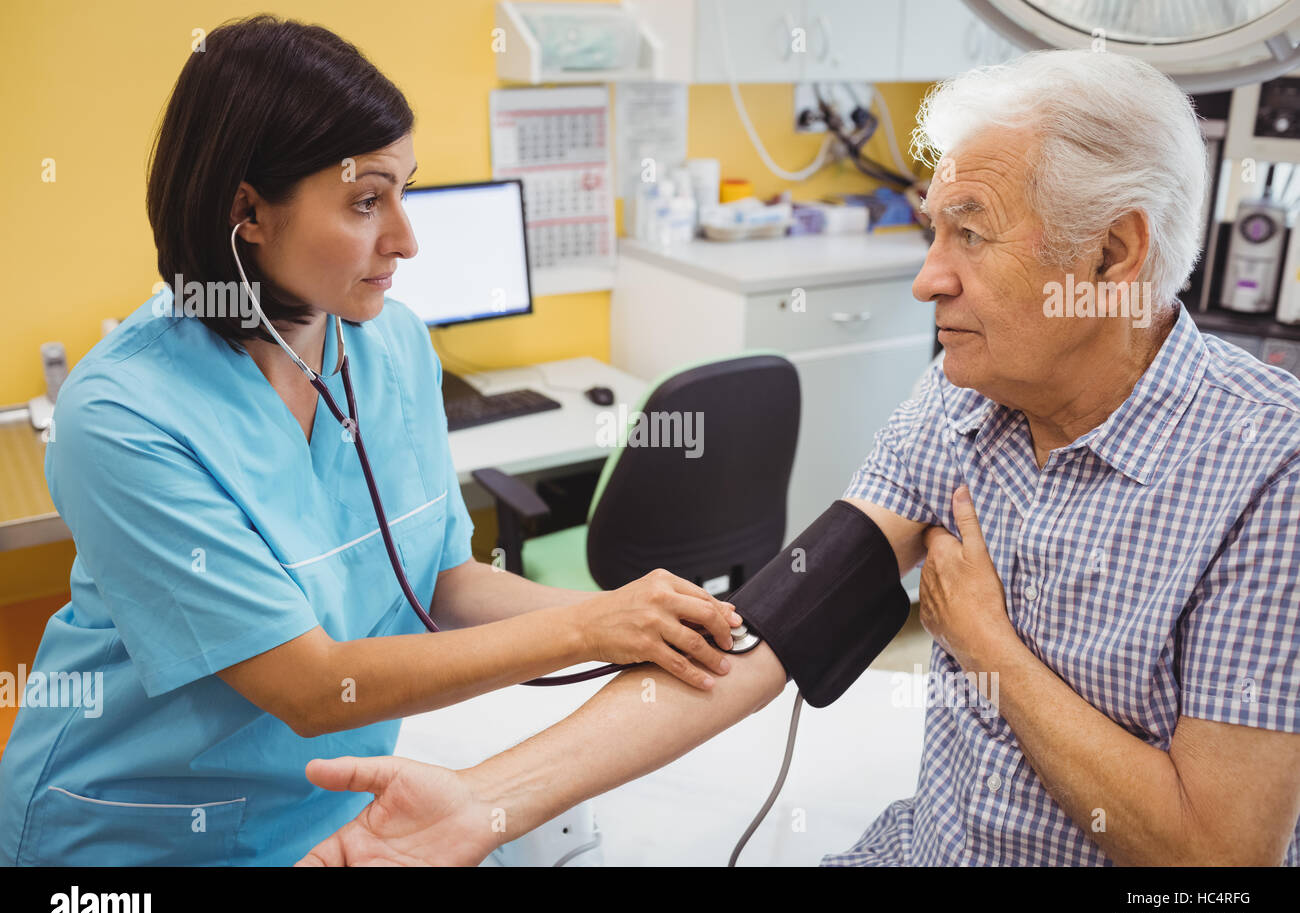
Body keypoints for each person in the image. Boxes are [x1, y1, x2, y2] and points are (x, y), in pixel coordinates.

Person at [298, 49, 1300, 867]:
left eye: (969, 234)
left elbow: (1214, 855)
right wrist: (484, 798)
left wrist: (992, 651)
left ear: (1111, 257)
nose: (926, 279)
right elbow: (765, 635)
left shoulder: (1269, 472)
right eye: (929, 230)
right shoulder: (962, 400)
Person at [0, 15, 739, 867]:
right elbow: (311, 687)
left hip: (339, 808)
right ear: (247, 211)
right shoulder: (122, 414)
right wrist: (593, 632)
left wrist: (649, 619)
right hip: (137, 835)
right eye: (366, 200)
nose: (407, 238)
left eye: (405, 191)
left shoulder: (392, 344)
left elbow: (448, 583)